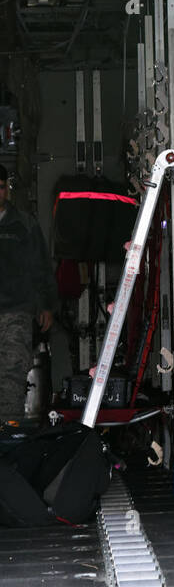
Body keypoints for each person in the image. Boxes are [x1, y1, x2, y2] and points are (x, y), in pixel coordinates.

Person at [0, 166, 56, 420]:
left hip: (16, 312)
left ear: (7, 190)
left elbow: (41, 266)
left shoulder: (23, 225)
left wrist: (45, 305)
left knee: (12, 377)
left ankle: (8, 439)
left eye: (0, 187)